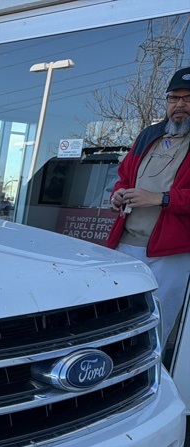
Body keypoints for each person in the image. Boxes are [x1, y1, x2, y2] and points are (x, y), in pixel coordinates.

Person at [108, 66, 190, 347]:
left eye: (188, 98)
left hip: (171, 254)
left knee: (155, 327)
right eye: (174, 98)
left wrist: (161, 198)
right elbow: (124, 177)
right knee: (114, 320)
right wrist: (118, 195)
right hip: (126, 245)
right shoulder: (149, 135)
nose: (180, 104)